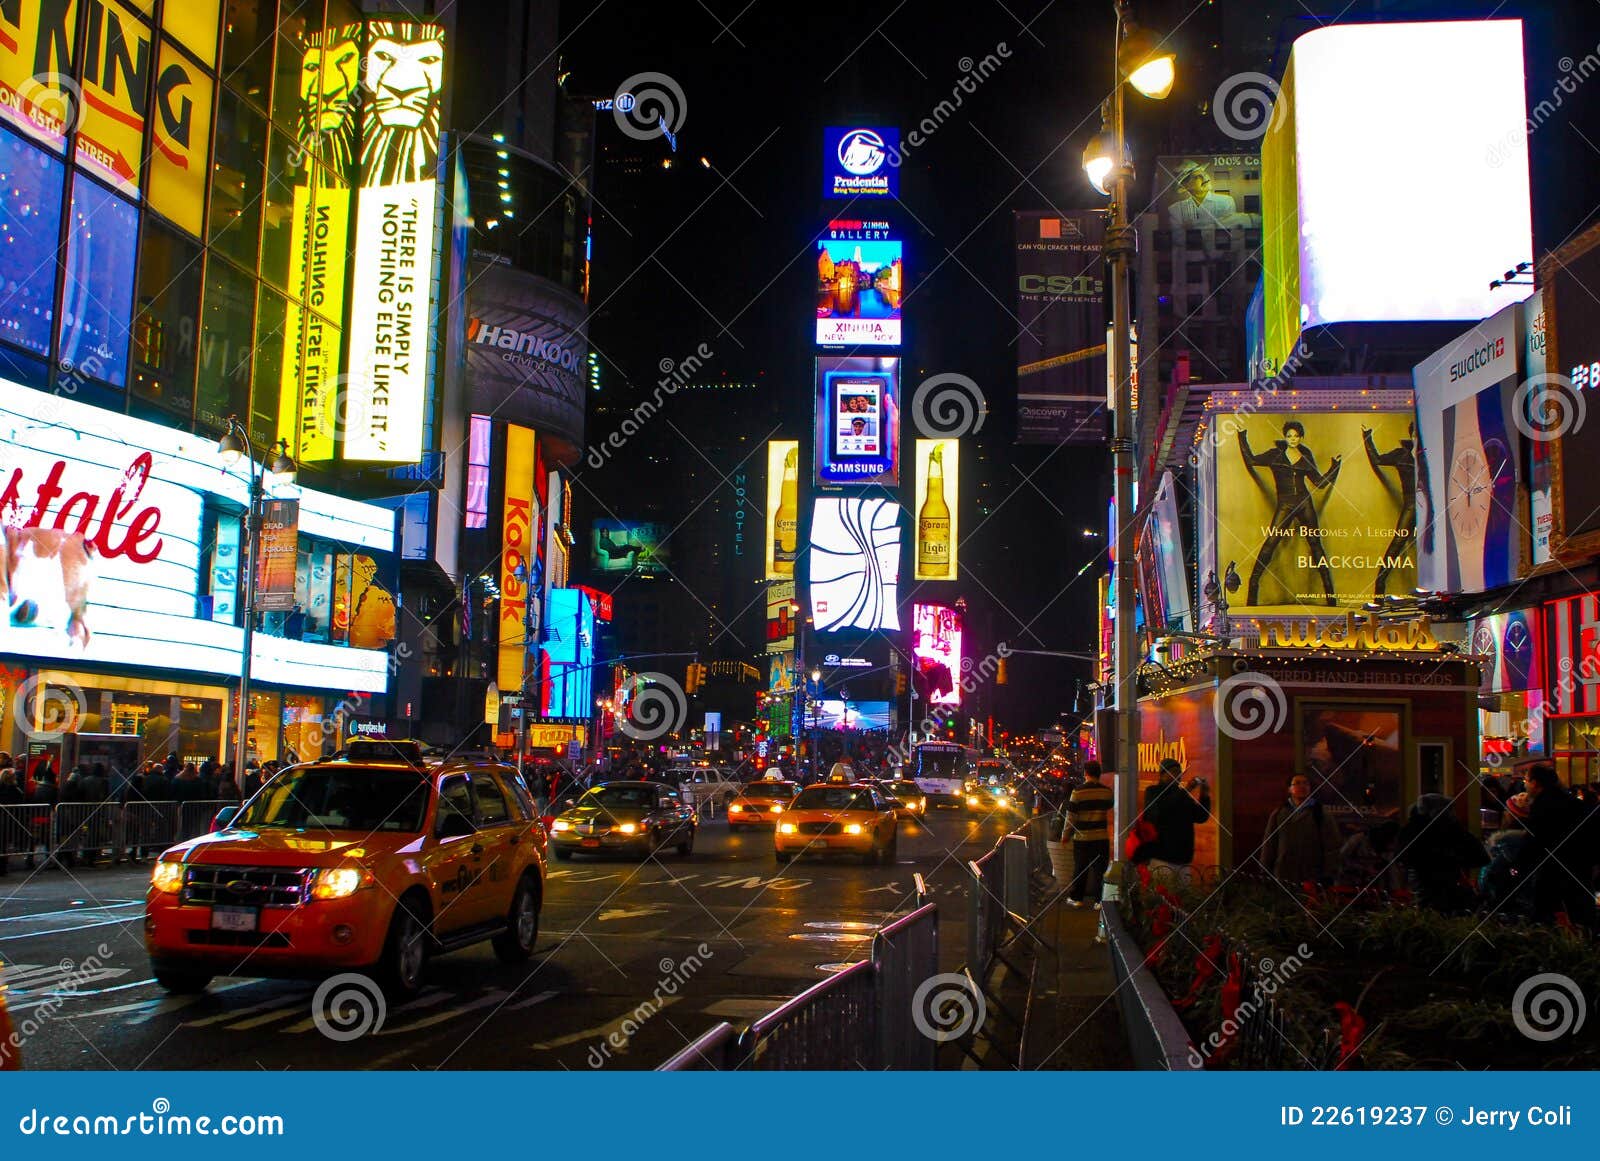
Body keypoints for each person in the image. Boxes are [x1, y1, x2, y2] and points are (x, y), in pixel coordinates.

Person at [1239, 420, 1341, 607]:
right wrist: (1242, 436)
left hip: (1304, 502)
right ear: (1285, 437)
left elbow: (1319, 482)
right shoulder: (1275, 454)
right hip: (1285, 502)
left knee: (1316, 545)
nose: (1293, 439)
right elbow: (1252, 460)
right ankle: (1252, 594)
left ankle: (1331, 599)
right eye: (1289, 436)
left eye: (1296, 436)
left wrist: (1335, 466)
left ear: (1301, 437)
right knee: (1271, 542)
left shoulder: (1306, 454)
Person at [1516, 763, 1598, 930]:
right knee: (1581, 912)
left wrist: (1520, 863)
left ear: (1536, 782)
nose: (1525, 784)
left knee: (1546, 915)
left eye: (1526, 780)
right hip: (1579, 865)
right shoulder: (1574, 803)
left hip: (1552, 867)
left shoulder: (1541, 805)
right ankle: (1586, 944)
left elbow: (1535, 839)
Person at [1396, 794, 1487, 912]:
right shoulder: (1448, 830)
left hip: (1422, 891)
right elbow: (1478, 856)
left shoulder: (1411, 829)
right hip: (1442, 890)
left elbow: (1403, 859)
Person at [1259, 774, 1343, 886]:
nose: (1302, 786)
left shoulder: (1321, 813)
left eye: (1305, 783)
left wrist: (1329, 873)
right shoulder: (1279, 813)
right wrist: (1265, 870)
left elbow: (1332, 845)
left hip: (1312, 874)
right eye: (1297, 783)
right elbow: (1269, 844)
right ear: (1290, 789)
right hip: (1283, 873)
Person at [1142, 758, 1212, 885]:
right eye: (1173, 772)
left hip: (1183, 859)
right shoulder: (1153, 792)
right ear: (1163, 775)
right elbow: (1162, 811)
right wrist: (1187, 790)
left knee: (1182, 900)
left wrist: (1204, 796)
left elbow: (1200, 816)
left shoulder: (1182, 796)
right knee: (1163, 899)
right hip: (1161, 858)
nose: (1178, 775)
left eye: (1179, 772)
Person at [1065, 761, 1113, 907]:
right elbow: (1110, 805)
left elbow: (1071, 816)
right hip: (1101, 838)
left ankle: (1077, 898)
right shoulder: (1107, 792)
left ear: (1086, 773)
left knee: (1080, 868)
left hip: (1082, 838)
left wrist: (1065, 834)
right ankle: (1099, 901)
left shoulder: (1078, 792)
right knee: (1100, 870)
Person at [1481, 792, 1534, 919]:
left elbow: (1489, 876)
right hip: (1530, 905)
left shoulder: (1505, 844)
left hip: (1507, 909)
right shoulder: (1532, 842)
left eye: (1507, 810)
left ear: (1511, 815)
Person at [1335, 818, 1404, 895]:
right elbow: (1340, 859)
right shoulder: (1357, 840)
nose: (1393, 843)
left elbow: (1391, 870)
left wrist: (1396, 892)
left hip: (1372, 888)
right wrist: (1364, 868)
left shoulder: (1387, 846)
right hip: (1348, 885)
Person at [0, 768, 24, 875]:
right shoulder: (16, 791)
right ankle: (2, 867)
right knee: (4, 845)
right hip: (9, 821)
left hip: (5, 819)